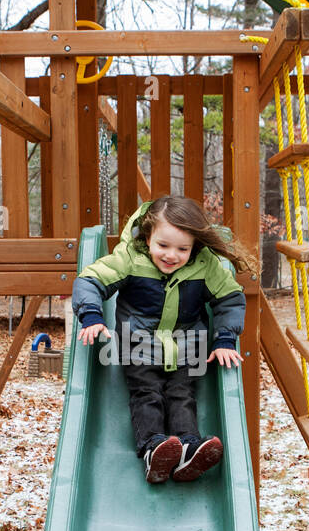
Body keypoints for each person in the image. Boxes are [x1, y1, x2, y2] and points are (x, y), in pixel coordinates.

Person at [72, 195, 251, 483]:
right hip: (139, 347)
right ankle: (153, 448)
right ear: (147, 236)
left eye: (183, 248)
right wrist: (92, 315)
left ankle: (188, 447)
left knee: (182, 394)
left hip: (187, 347)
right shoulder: (130, 258)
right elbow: (90, 281)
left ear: (194, 246)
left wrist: (225, 340)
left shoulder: (205, 266)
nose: (172, 255)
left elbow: (230, 298)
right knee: (147, 393)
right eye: (163, 246)